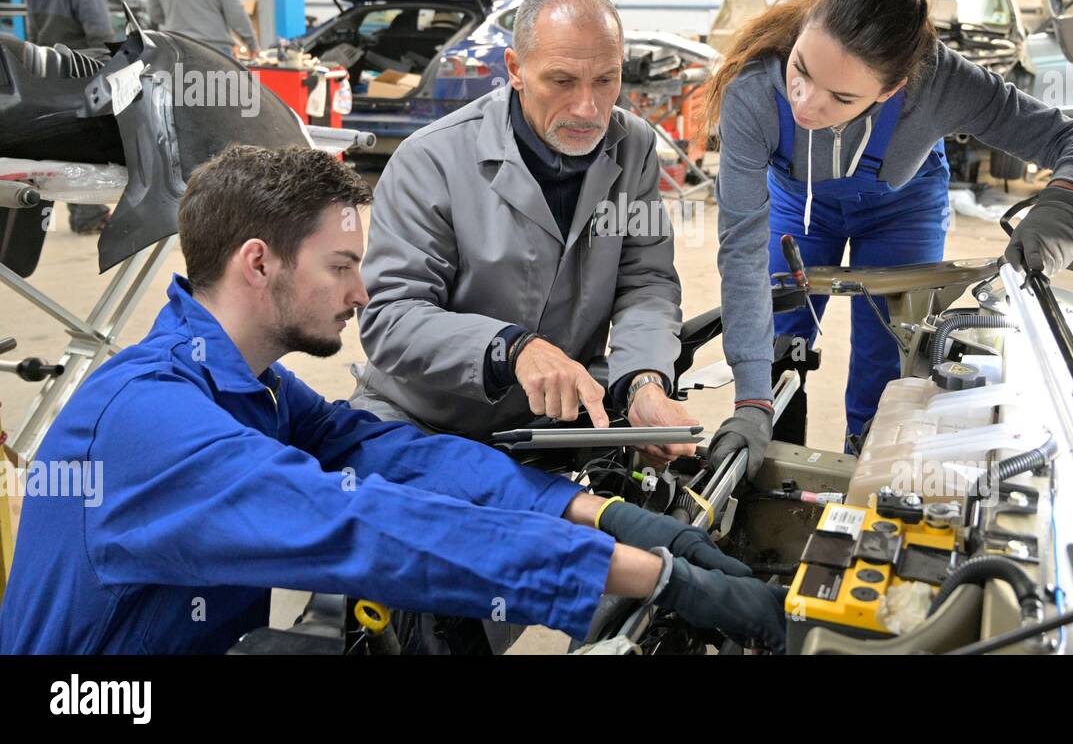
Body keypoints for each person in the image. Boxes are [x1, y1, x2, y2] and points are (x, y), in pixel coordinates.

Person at [0, 144, 785, 654]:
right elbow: (359, 524)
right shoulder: (149, 421)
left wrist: (597, 515)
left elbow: (384, 452)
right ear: (258, 263)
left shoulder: (246, 385)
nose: (363, 291)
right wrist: (649, 578)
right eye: (341, 265)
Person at [704, 0, 1073, 467]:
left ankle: (869, 469)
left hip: (901, 209)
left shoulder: (941, 84)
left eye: (843, 96)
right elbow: (741, 251)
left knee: (889, 360)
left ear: (892, 88)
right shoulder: (753, 92)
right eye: (802, 71)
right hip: (798, 204)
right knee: (777, 336)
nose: (806, 103)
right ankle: (773, 455)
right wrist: (750, 397)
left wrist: (1064, 198)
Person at [352, 0, 696, 468]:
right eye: (562, 81)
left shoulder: (632, 146)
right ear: (515, 70)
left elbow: (646, 282)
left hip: (549, 434)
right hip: (424, 426)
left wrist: (642, 380)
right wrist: (509, 350)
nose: (588, 108)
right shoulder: (430, 160)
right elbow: (390, 317)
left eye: (605, 80)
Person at [25, 0, 114, 234]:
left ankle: (74, 211)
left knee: (60, 143)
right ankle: (88, 215)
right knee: (87, 143)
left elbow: (34, 31)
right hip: (81, 71)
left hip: (47, 68)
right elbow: (101, 35)